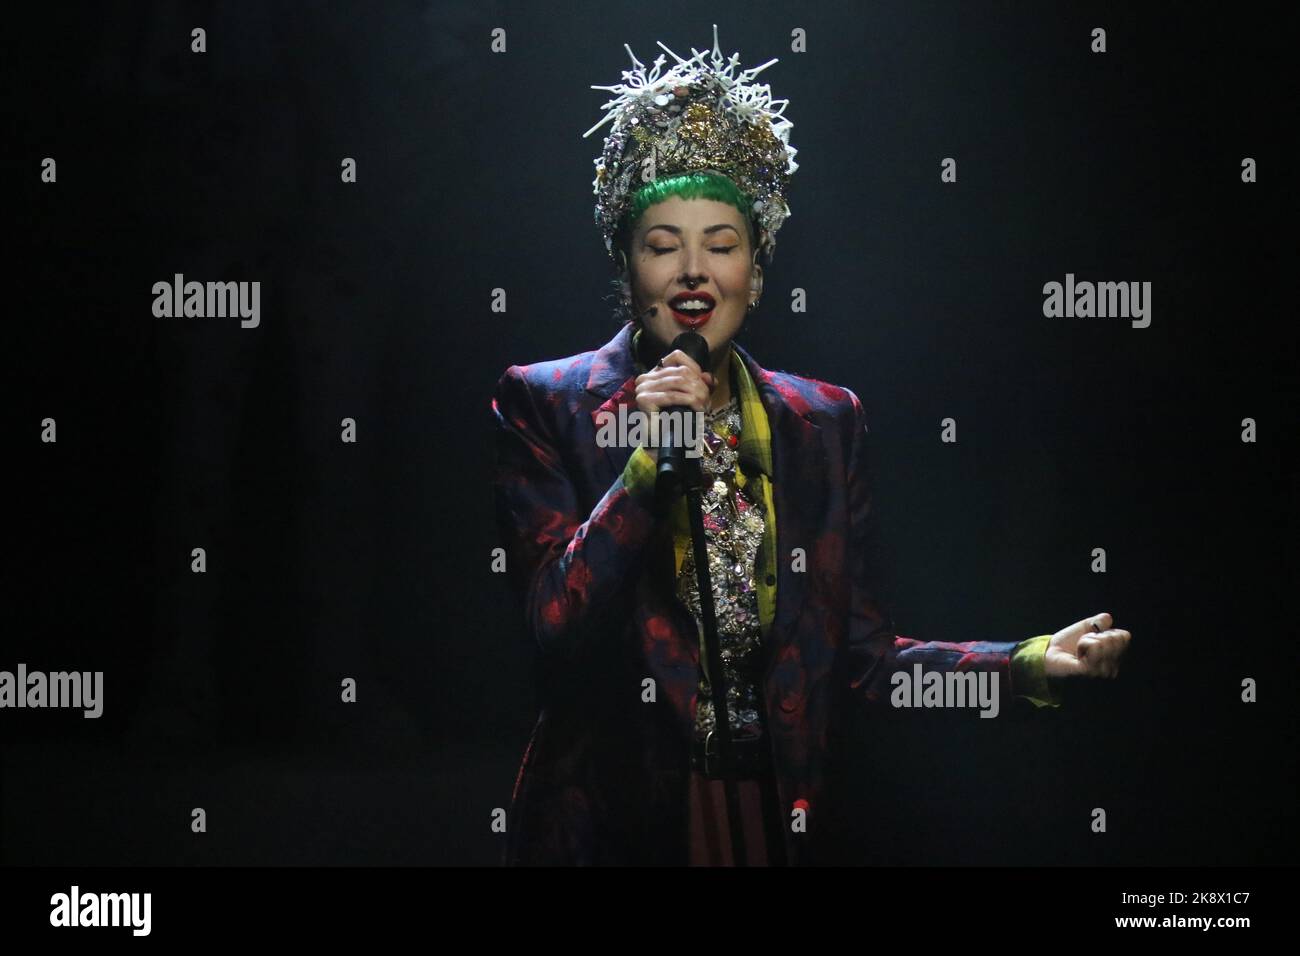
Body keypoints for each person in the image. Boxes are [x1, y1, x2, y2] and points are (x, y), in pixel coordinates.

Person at [490, 26, 1131, 866]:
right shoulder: (549, 403)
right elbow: (554, 634)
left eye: (721, 245)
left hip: (775, 818)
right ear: (626, 268)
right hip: (621, 826)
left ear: (754, 274)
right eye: (661, 246)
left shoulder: (821, 423)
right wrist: (647, 467)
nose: (693, 271)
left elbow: (862, 666)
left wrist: (1030, 667)